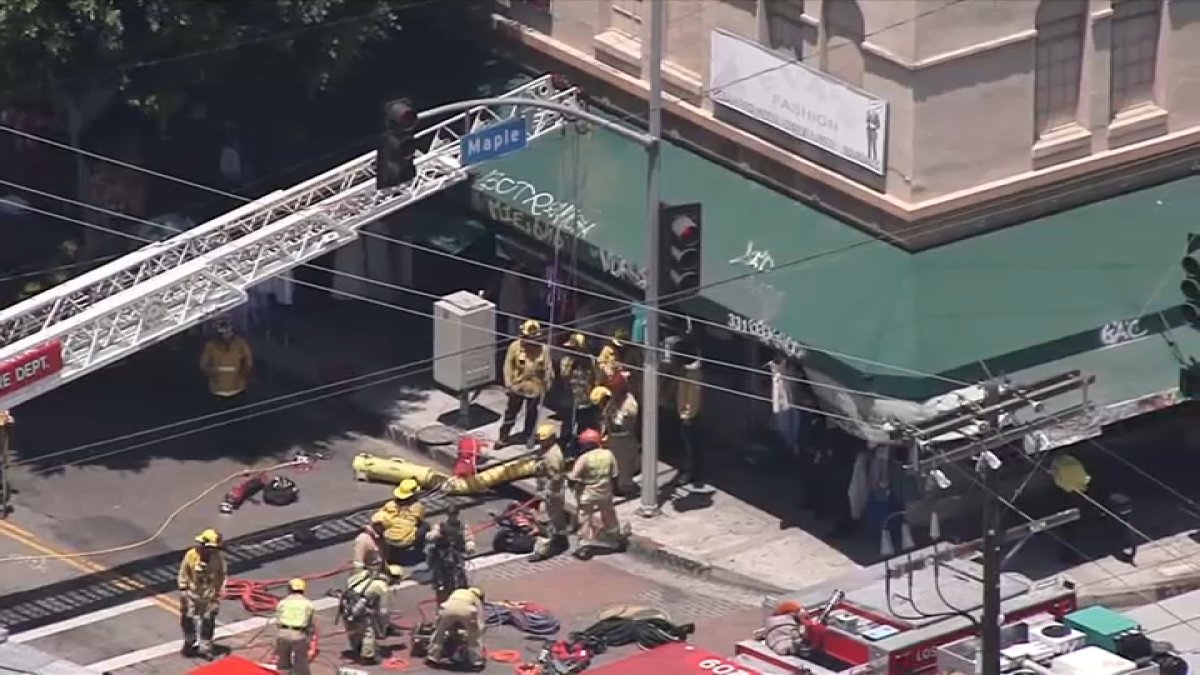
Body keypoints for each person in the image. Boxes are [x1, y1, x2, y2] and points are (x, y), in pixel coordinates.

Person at [568, 429, 624, 560]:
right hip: (605, 492)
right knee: (609, 516)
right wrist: (615, 490)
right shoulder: (608, 454)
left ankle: (584, 547)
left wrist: (573, 486)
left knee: (585, 519)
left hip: (587, 494)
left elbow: (573, 478)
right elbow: (615, 475)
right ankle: (617, 539)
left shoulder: (584, 458)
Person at [499, 319, 553, 447]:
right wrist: (508, 384)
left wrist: (547, 383)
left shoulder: (543, 350)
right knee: (511, 412)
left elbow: (548, 367)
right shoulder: (515, 347)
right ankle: (503, 437)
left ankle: (528, 436)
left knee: (532, 413)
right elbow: (507, 366)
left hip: (535, 388)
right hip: (517, 386)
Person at [177, 528, 227, 658]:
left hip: (209, 596)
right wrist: (183, 589)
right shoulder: (191, 555)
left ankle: (205, 647)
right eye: (211, 548)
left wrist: (218, 592)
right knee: (187, 618)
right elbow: (184, 572)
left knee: (208, 621)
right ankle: (189, 641)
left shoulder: (217, 558)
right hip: (192, 594)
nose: (213, 551)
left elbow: (221, 574)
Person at [341, 563, 404, 665]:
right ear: (394, 578)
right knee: (368, 631)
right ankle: (368, 657)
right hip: (358, 607)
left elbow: (351, 582)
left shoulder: (367, 575)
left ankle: (358, 647)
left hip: (346, 603)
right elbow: (384, 611)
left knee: (354, 629)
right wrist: (383, 628)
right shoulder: (383, 587)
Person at [591, 383, 640, 498]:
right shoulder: (611, 404)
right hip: (614, 439)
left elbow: (622, 421)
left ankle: (625, 488)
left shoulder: (628, 403)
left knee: (624, 465)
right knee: (613, 465)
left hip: (624, 439)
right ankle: (616, 485)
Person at [530, 423, 569, 561]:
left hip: (551, 493)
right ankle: (561, 539)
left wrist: (547, 491)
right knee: (557, 517)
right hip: (549, 492)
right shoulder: (546, 451)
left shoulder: (553, 456)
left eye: (543, 440)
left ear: (551, 438)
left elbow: (556, 477)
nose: (540, 442)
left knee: (544, 520)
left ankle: (541, 551)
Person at [371, 479, 428, 566]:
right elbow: (419, 522)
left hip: (388, 538)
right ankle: (419, 551)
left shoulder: (390, 505)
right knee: (425, 526)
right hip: (406, 541)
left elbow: (378, 518)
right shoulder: (417, 507)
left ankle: (388, 553)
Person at [427, 586, 486, 669]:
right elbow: (480, 620)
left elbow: (453, 609)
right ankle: (476, 662)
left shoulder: (458, 592)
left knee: (439, 633)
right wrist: (476, 631)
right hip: (467, 611)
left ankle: (433, 658)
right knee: (474, 637)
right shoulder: (476, 599)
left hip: (447, 609)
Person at [425, 506, 475, 603]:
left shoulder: (462, 526)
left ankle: (463, 588)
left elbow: (468, 537)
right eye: (451, 515)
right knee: (439, 571)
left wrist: (470, 545)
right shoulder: (441, 525)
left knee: (460, 571)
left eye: (454, 515)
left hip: (456, 552)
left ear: (457, 515)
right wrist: (433, 535)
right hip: (443, 553)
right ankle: (439, 585)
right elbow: (432, 534)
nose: (453, 517)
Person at [554, 333, 595, 447]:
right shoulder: (567, 360)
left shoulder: (590, 360)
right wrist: (572, 362)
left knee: (583, 425)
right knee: (567, 423)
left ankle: (580, 445)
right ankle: (564, 443)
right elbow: (564, 374)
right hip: (570, 398)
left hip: (585, 399)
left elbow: (594, 376)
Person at [199, 317, 253, 399]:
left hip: (237, 388)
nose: (226, 335)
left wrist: (242, 373)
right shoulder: (211, 346)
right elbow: (203, 364)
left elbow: (248, 361)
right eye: (222, 332)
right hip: (218, 390)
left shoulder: (240, 343)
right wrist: (214, 372)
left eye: (228, 331)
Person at [274, 578, 316, 675]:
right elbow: (310, 624)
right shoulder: (308, 604)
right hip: (298, 634)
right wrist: (310, 637)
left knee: (283, 661)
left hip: (283, 634)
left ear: (289, 589)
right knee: (301, 661)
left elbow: (278, 621)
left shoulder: (283, 602)